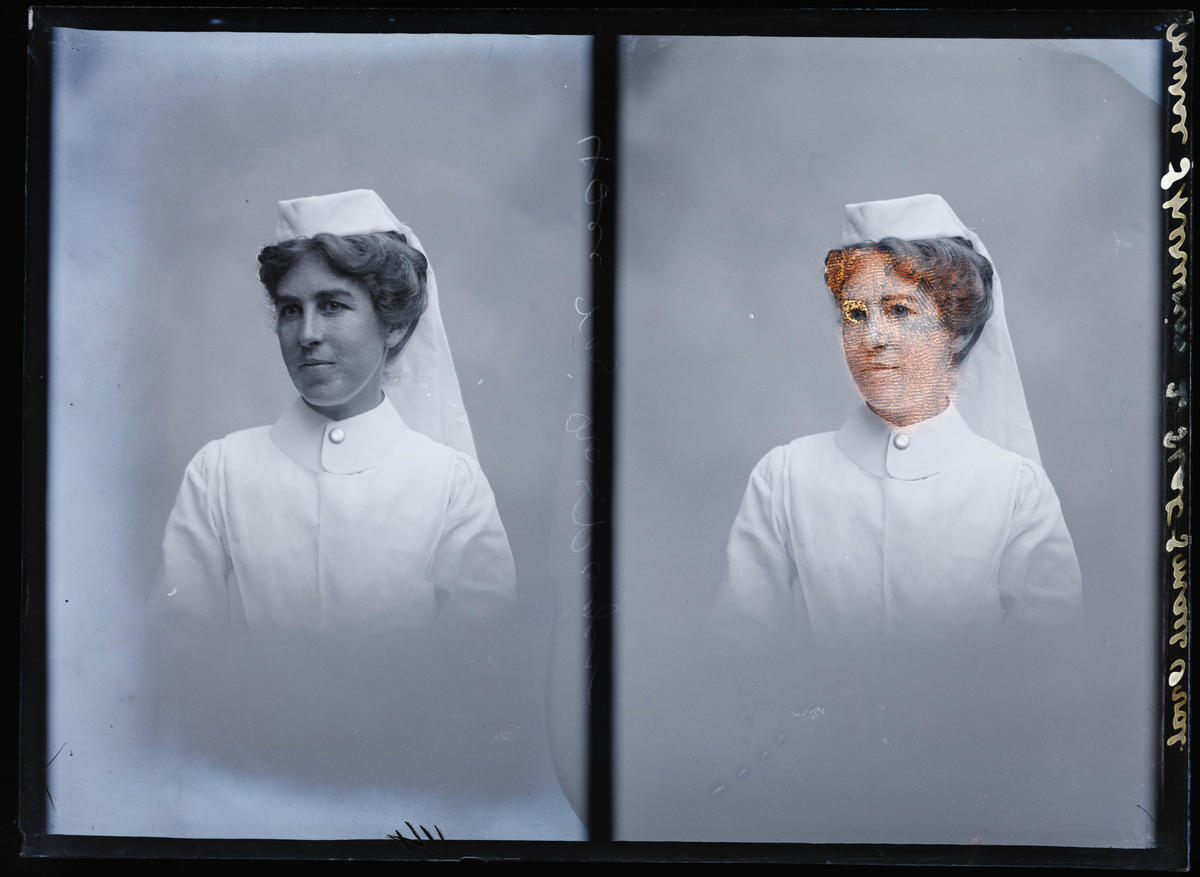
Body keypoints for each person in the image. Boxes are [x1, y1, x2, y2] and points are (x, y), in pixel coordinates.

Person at [715, 193, 1081, 665]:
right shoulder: (784, 476)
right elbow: (739, 650)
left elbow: (1053, 660)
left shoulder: (1014, 487)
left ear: (956, 331)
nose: (874, 337)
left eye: (900, 311)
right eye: (855, 315)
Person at [149, 188, 516, 636]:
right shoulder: (219, 471)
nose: (307, 334)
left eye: (333, 306)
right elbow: (177, 648)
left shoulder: (451, 483)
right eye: (290, 310)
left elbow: (484, 662)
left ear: (394, 323)